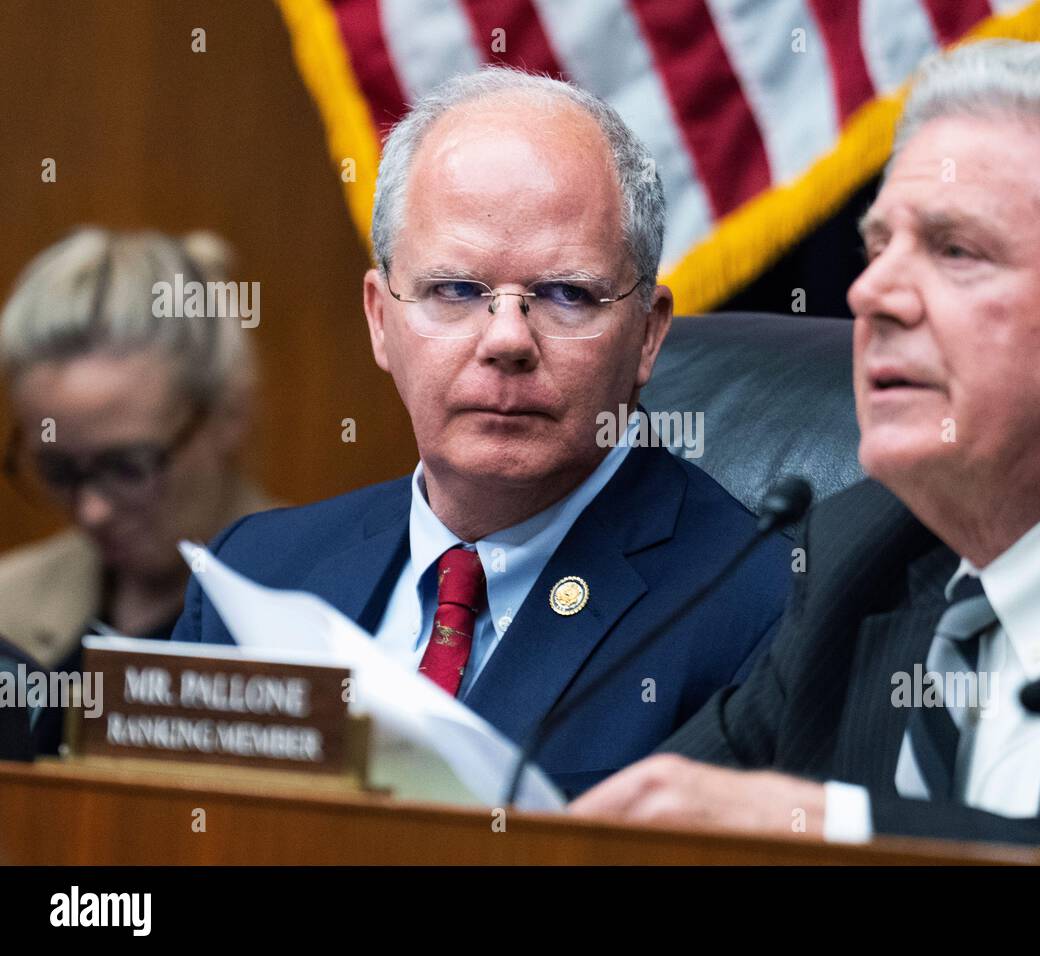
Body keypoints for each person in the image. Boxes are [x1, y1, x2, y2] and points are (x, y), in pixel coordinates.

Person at [570, 40, 1040, 843]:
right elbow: (659, 832)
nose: (870, 292)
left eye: (956, 251)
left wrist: (844, 827)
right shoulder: (860, 554)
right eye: (880, 248)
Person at [170, 69, 790, 797]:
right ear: (380, 319)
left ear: (648, 337)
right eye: (456, 291)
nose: (506, 340)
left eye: (566, 294)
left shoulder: (764, 610)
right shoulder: (257, 570)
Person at [0, 227, 276, 752]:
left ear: (228, 415)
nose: (93, 511)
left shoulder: (332, 612)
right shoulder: (6, 610)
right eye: (58, 470)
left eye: (129, 467)